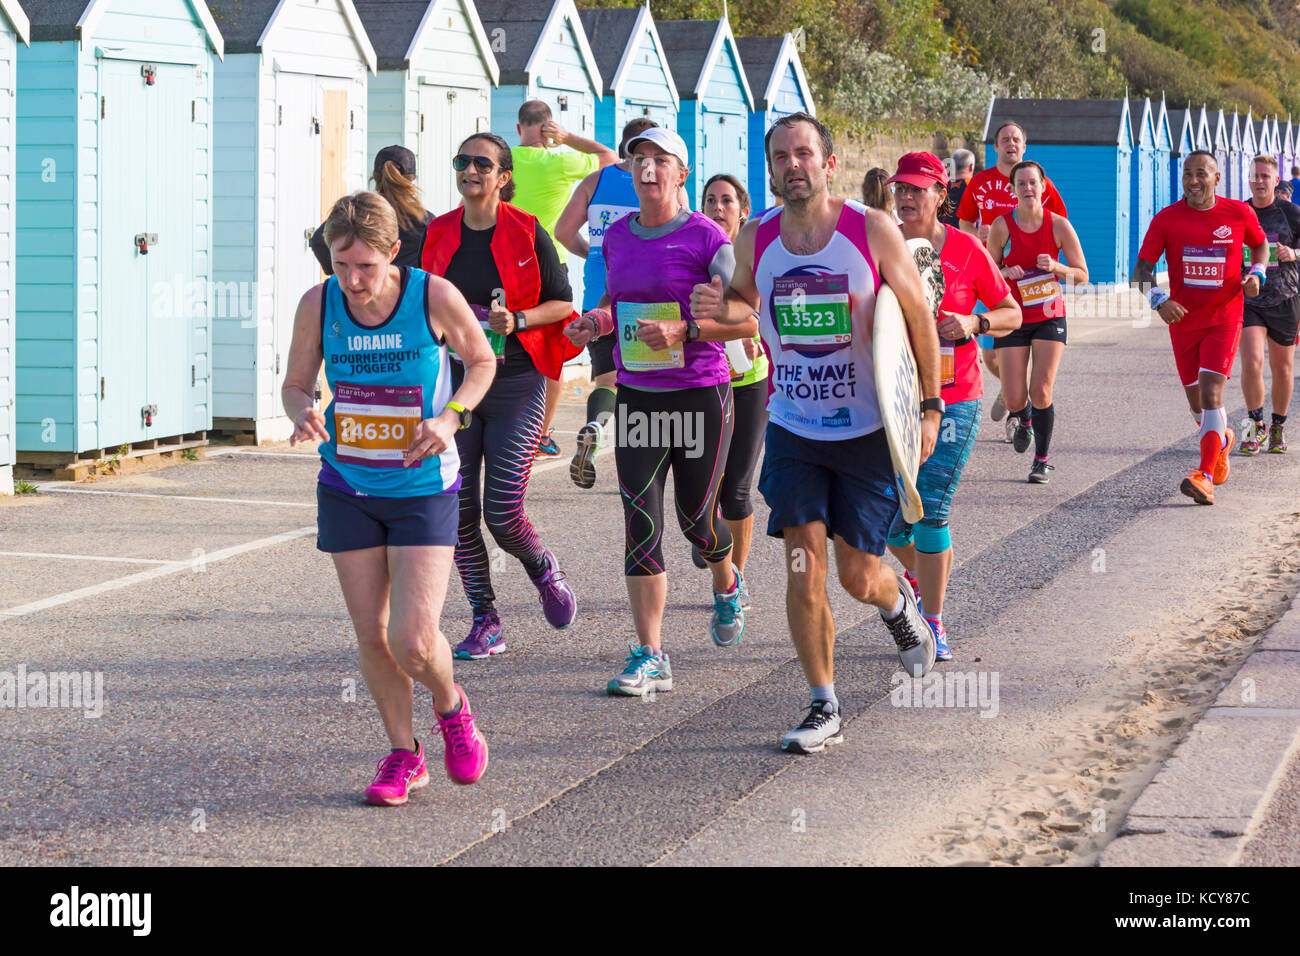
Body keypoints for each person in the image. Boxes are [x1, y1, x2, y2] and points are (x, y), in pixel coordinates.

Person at [690, 113, 943, 755]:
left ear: (828, 163)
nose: (793, 165)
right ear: (771, 169)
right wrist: (718, 309)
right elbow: (746, 306)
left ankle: (898, 605)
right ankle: (822, 704)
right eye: (781, 156)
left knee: (858, 576)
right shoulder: (757, 236)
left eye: (804, 153)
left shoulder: (871, 230)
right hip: (794, 427)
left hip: (865, 432)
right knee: (803, 565)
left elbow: (918, 319)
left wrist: (931, 408)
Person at [282, 191, 493, 805]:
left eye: (365, 267)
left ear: (393, 252)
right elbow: (296, 383)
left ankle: (452, 707)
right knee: (372, 635)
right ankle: (405, 753)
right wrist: (303, 412)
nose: (352, 279)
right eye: (340, 264)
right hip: (347, 484)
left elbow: (481, 362)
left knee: (413, 640)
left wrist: (451, 417)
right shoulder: (319, 304)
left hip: (422, 485)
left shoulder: (433, 295)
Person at [563, 127, 756, 695]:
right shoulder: (618, 237)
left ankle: (726, 581)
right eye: (638, 159)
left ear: (681, 174)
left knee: (699, 521)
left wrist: (687, 328)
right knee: (641, 522)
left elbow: (746, 318)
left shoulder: (708, 239)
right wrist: (593, 324)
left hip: (700, 393)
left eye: (659, 160)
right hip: (641, 394)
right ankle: (651, 653)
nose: (646, 168)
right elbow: (612, 302)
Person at [421, 132, 580, 659]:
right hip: (458, 384)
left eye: (481, 163)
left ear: (503, 176)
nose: (470, 170)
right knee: (459, 509)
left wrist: (518, 319)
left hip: (516, 379)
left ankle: (542, 567)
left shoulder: (528, 232)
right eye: (462, 161)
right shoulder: (438, 233)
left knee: (503, 508)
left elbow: (562, 305)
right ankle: (485, 620)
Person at [886, 152, 1021, 659]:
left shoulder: (967, 248)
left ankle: (934, 622)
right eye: (901, 187)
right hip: (894, 396)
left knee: (931, 512)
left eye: (918, 189)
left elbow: (1010, 311)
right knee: (886, 519)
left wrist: (974, 324)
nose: (906, 197)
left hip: (954, 395)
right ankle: (923, 579)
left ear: (942, 196)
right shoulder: (882, 243)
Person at [553, 118, 688, 488]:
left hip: (602, 294)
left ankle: (597, 427)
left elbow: (563, 231)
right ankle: (655, 465)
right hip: (654, 298)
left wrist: (595, 252)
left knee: (607, 378)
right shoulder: (666, 182)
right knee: (652, 382)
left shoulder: (595, 181)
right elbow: (685, 230)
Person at [1134, 150, 1267, 505]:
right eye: (1188, 174)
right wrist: (1159, 301)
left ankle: (1204, 476)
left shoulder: (1238, 213)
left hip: (1225, 317)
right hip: (1182, 322)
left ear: (1217, 178)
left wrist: (1257, 273)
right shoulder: (1167, 219)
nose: (1194, 181)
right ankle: (1221, 439)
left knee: (1212, 395)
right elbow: (1141, 272)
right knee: (1197, 406)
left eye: (1202, 174)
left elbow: (1260, 245)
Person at [509, 100, 619, 460]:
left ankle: (499, 425)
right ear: (548, 129)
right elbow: (608, 156)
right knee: (552, 347)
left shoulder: (505, 158)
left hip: (504, 261)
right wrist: (567, 137)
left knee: (503, 343)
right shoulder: (559, 161)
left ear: (518, 128)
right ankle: (540, 434)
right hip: (548, 264)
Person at [683, 172, 770, 608]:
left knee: (737, 487)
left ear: (743, 210)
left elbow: (771, 308)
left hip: (749, 381)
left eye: (727, 201)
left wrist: (755, 327)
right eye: (710, 200)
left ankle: (734, 582)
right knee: (702, 492)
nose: (718, 208)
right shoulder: (695, 251)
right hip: (701, 385)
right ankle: (712, 534)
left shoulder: (754, 256)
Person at [957, 122, 1068, 426]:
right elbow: (964, 223)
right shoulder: (979, 182)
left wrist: (1052, 267)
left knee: (1034, 378)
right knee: (991, 357)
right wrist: (978, 236)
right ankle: (1012, 390)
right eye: (1005, 139)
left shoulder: (1039, 182)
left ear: (1024, 145)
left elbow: (1057, 224)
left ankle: (1018, 395)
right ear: (995, 147)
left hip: (1035, 286)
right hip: (991, 275)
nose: (1011, 144)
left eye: (1016, 139)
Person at [986, 160, 1088, 483]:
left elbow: (1082, 275)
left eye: (1033, 183)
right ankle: (1025, 419)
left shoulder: (1058, 226)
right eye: (1021, 184)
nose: (1028, 189)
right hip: (1013, 315)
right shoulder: (1001, 226)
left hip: (1048, 316)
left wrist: (1057, 269)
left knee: (1041, 389)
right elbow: (986, 275)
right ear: (1013, 189)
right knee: (1015, 397)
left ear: (1043, 187)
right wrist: (1003, 272)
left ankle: (1041, 460)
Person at [1238, 154, 1298, 455]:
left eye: (1265, 176)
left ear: (1276, 181)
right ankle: (1253, 426)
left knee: (1282, 368)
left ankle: (1277, 426)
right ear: (1249, 180)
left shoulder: (1291, 213)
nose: (1259, 181)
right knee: (1251, 362)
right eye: (1255, 176)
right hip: (1249, 298)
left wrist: (1294, 253)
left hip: (1286, 298)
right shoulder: (1239, 212)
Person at [311, 146, 433, 273]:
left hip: (359, 287)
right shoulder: (426, 221)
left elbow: (318, 241)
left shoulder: (357, 211)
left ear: (375, 177)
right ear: (412, 180)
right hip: (408, 290)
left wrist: (341, 269)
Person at [940, 148, 974, 227]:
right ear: (971, 167)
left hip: (941, 235)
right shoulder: (974, 187)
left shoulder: (940, 186)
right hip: (964, 235)